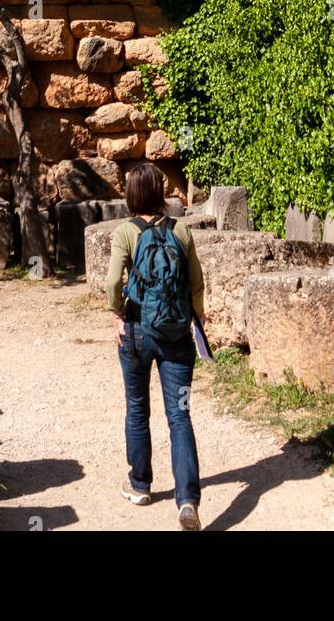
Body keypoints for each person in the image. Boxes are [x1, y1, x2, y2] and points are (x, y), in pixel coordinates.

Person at [105, 162, 205, 531]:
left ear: (131, 195)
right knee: (179, 415)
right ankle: (188, 500)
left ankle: (141, 485)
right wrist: (198, 317)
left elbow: (114, 280)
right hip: (177, 336)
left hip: (135, 333)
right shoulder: (181, 230)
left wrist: (116, 314)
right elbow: (197, 282)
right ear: (160, 193)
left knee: (137, 409)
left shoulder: (125, 232)